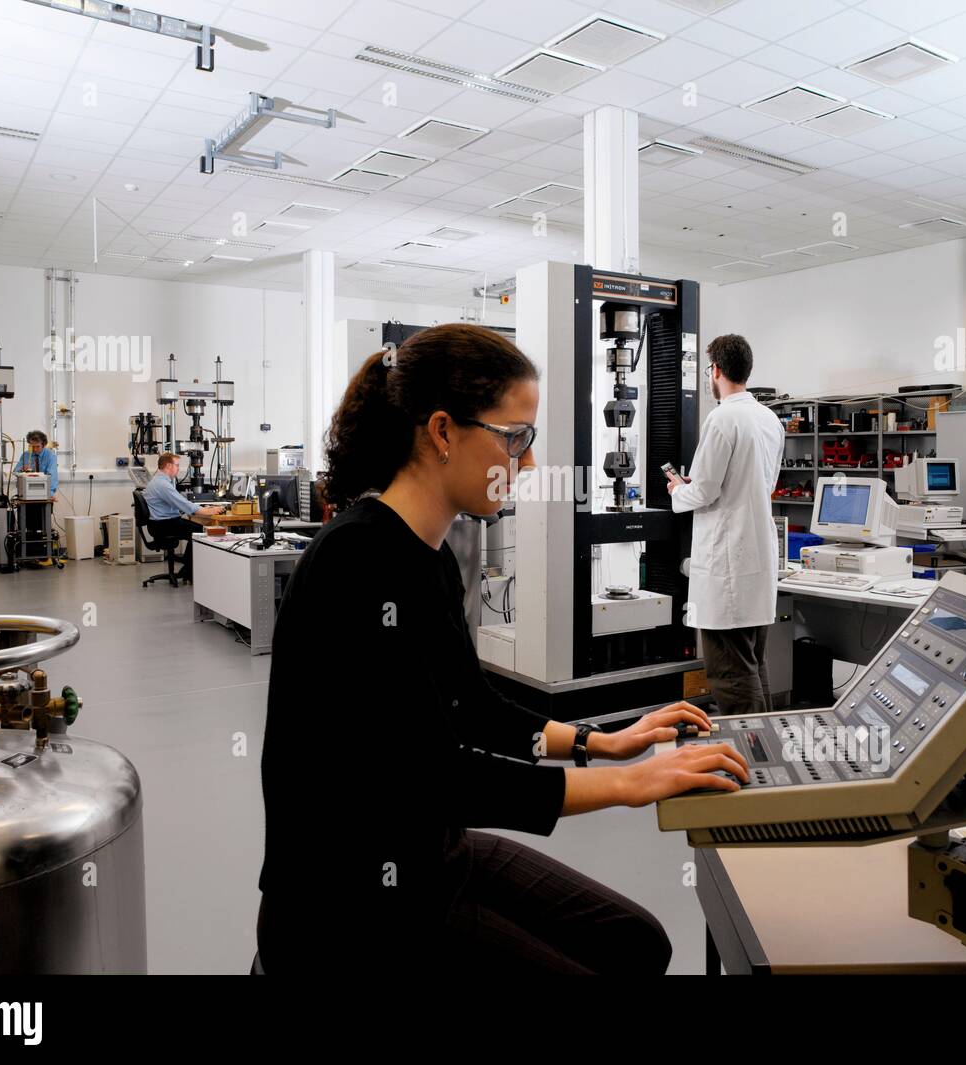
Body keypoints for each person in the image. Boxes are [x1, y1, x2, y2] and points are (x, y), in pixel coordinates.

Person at [256, 324, 749, 975]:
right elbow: (434, 776)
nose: (529, 463)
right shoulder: (358, 561)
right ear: (442, 432)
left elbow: (472, 709)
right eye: (514, 438)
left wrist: (601, 741)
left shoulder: (428, 559)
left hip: (430, 851)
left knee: (637, 942)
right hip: (347, 907)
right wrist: (627, 784)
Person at [664, 334, 784, 716]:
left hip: (728, 564)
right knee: (752, 665)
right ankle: (770, 753)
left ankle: (753, 760)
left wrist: (676, 491)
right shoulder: (769, 419)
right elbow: (761, 483)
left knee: (730, 674)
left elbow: (705, 490)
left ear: (715, 370)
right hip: (757, 560)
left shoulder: (722, 418)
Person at [141, 452, 219, 580]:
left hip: (160, 524)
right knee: (201, 533)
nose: (179, 468)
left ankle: (187, 569)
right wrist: (208, 511)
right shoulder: (162, 485)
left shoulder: (159, 481)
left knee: (197, 530)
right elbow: (184, 505)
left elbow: (179, 500)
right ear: (168, 466)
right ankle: (189, 571)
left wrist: (201, 508)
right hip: (165, 525)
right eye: (177, 465)